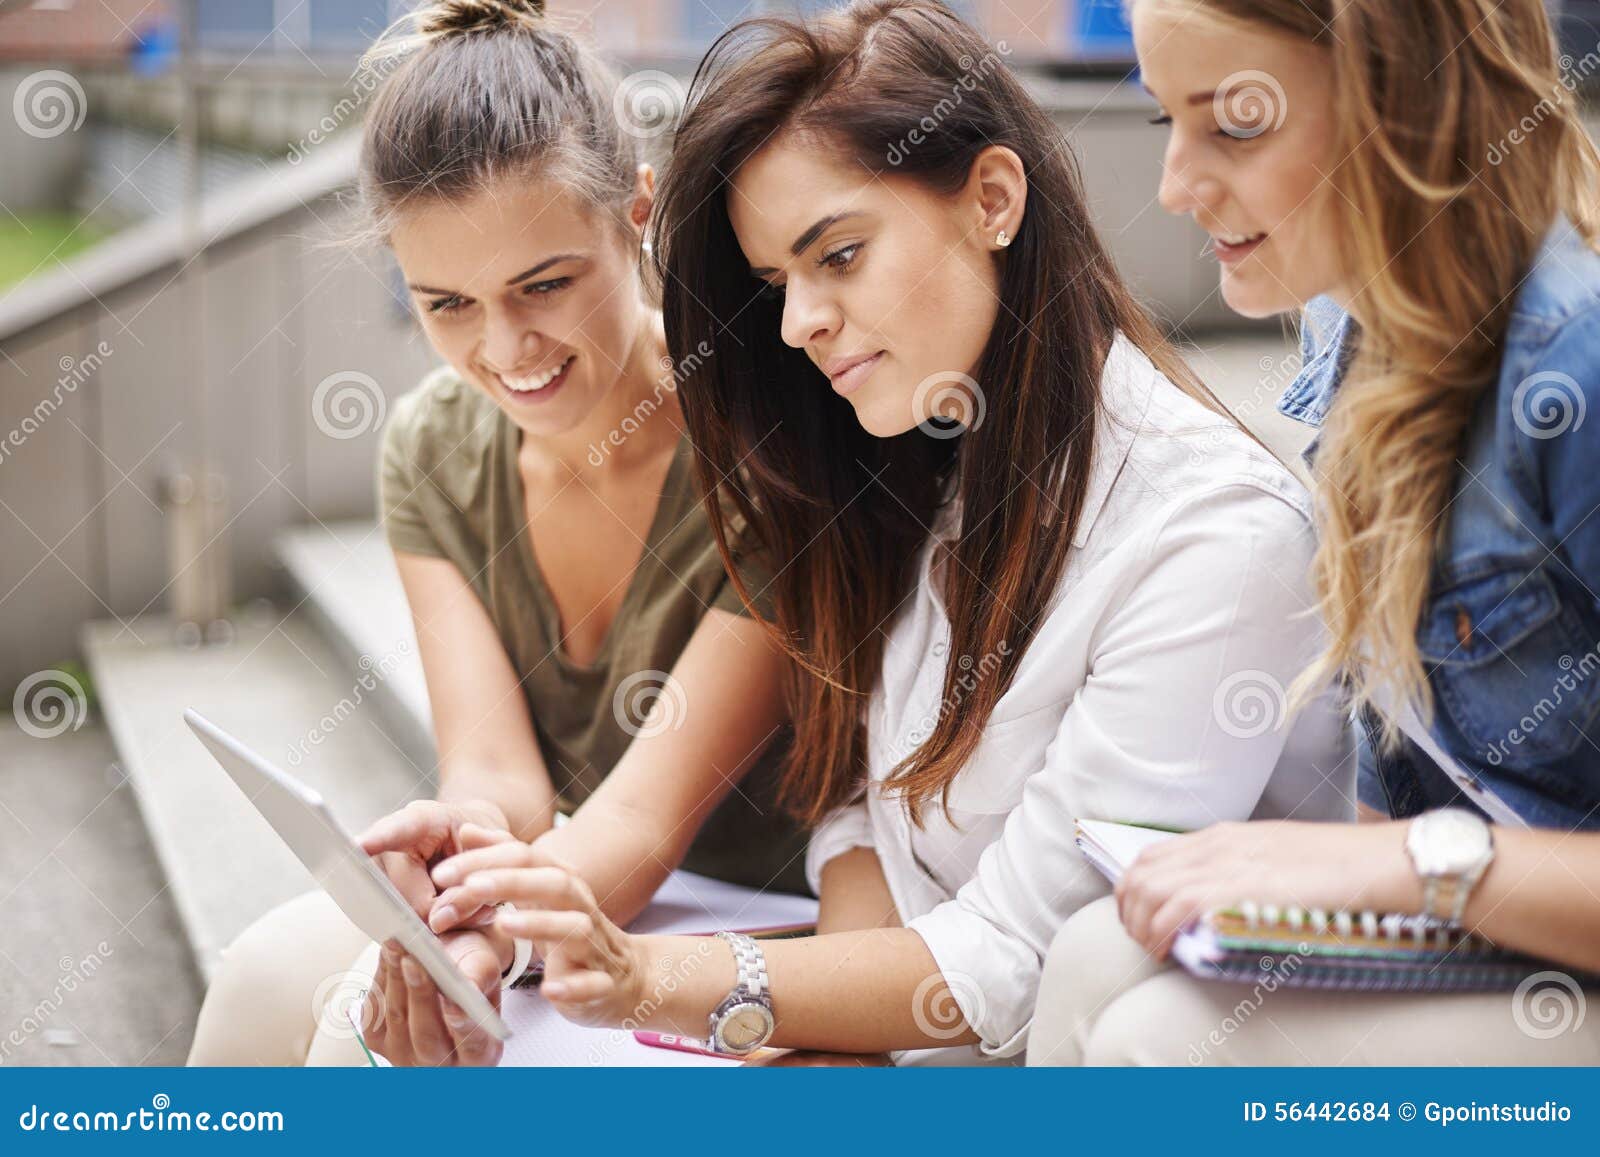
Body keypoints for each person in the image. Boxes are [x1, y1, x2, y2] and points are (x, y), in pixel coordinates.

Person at [425, 0, 1351, 1067]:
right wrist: (824, 1020)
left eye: (841, 256)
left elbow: (1017, 957)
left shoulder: (1217, 540)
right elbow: (861, 813)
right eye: (777, 282)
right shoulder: (921, 454)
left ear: (992, 199)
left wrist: (666, 982)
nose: (796, 321)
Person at [185, 0, 807, 1068]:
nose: (506, 348)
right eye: (447, 304)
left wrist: (490, 936)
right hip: (565, 873)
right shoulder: (433, 449)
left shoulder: (767, 449)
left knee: (356, 1034)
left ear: (638, 211)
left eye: (545, 285)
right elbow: (496, 772)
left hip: (754, 919)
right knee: (257, 979)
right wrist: (455, 855)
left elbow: (647, 827)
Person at [1030, 0, 1600, 1066]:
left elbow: (1426, 841)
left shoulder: (1579, 365)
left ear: (1408, 99)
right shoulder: (1357, 320)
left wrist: (1403, 866)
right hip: (1511, 931)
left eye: (1235, 124)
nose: (1174, 188)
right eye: (1166, 123)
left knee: (1170, 1042)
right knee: (1091, 955)